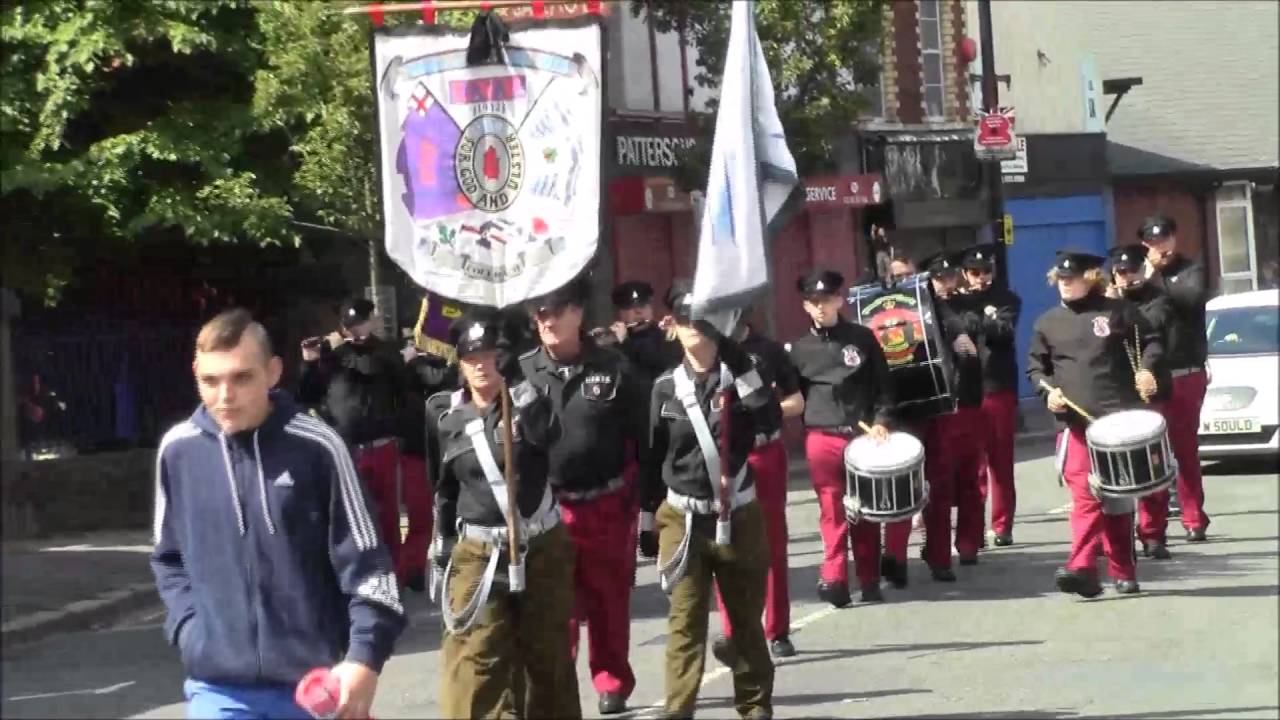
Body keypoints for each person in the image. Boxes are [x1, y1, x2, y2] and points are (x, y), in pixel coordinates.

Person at [151, 308, 405, 719]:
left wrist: (363, 658)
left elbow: (370, 567)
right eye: (210, 381)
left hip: (313, 691)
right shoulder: (178, 451)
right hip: (217, 690)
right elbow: (168, 558)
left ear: (272, 373)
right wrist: (190, 630)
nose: (224, 395)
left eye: (241, 377)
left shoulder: (318, 447)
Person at [425, 308, 580, 720]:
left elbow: (548, 435)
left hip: (539, 544)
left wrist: (518, 382)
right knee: (478, 660)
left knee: (548, 662)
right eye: (472, 358)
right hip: (478, 550)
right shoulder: (444, 418)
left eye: (490, 357)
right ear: (460, 363)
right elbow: (444, 489)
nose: (481, 366)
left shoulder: (526, 402)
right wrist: (440, 547)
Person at [518, 276, 649, 716]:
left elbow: (643, 434)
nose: (547, 322)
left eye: (555, 312)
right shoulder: (520, 371)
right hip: (546, 508)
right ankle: (557, 684)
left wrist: (643, 503)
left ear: (577, 313)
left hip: (606, 504)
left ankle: (612, 680)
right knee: (555, 606)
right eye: (539, 315)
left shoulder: (613, 367)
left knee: (608, 598)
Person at [644, 283, 775, 720]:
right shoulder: (665, 387)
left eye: (703, 322)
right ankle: (678, 710)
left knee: (744, 619)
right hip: (683, 518)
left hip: (738, 510)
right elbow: (653, 456)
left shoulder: (742, 375)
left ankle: (755, 707)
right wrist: (647, 520)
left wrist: (738, 363)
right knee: (685, 622)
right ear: (673, 328)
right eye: (685, 322)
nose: (694, 330)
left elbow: (769, 417)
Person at [1026, 251, 1164, 597]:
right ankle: (1082, 567)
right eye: (1061, 279)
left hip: (1117, 422)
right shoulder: (1047, 322)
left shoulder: (1117, 311)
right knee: (1085, 497)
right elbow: (1035, 369)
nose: (1065, 284)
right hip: (1076, 425)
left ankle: (1123, 572)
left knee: (1116, 502)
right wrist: (1048, 394)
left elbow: (1151, 341)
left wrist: (1146, 369)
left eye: (1071, 279)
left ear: (1090, 277)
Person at [786, 269, 896, 606]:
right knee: (832, 509)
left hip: (861, 437)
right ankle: (834, 579)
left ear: (839, 300)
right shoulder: (798, 350)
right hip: (822, 436)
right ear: (806, 306)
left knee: (863, 508)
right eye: (814, 302)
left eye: (827, 300)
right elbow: (794, 395)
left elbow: (883, 386)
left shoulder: (862, 338)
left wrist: (880, 421)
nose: (821, 308)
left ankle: (869, 577)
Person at [298, 298, 426, 585]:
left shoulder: (384, 351)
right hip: (346, 450)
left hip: (383, 446)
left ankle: (391, 577)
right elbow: (306, 394)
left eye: (361, 323)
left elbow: (372, 368)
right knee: (350, 516)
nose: (356, 330)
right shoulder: (331, 356)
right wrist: (310, 362)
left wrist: (342, 348)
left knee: (388, 517)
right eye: (350, 326)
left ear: (374, 321)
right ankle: (356, 576)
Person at [710, 313, 802, 665]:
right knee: (724, 543)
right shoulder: (706, 351)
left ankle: (777, 629)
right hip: (722, 458)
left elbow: (797, 401)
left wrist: (761, 410)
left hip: (763, 452)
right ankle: (734, 633)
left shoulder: (768, 350)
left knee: (772, 540)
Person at [1140, 214, 1212, 542]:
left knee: (1185, 450)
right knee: (1152, 453)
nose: (1161, 246)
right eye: (1153, 242)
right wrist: (1140, 280)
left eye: (1165, 238)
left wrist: (1155, 280)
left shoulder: (1190, 270)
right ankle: (1152, 528)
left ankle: (1193, 517)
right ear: (1144, 245)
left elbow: (1191, 299)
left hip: (1185, 372)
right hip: (1150, 376)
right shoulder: (1137, 276)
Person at [1108, 243, 1177, 560]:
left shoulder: (1157, 298)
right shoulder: (1103, 304)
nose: (1128, 277)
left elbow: (1155, 330)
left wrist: (1120, 305)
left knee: (1152, 466)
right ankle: (1113, 538)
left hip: (1150, 389)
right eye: (1121, 272)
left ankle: (1153, 534)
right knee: (1115, 472)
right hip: (1114, 393)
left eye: (1133, 270)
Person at [920, 251, 986, 575]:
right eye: (938, 278)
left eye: (949, 277)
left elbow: (970, 350)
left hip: (965, 401)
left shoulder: (962, 307)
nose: (945, 283)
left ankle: (969, 543)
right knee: (939, 483)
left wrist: (961, 338)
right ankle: (939, 553)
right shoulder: (917, 312)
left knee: (969, 478)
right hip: (934, 407)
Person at [961, 244, 1022, 548]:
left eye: (986, 271)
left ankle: (1002, 525)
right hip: (967, 389)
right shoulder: (958, 301)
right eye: (975, 272)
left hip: (998, 386)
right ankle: (973, 528)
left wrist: (976, 322)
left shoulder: (1007, 299)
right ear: (964, 274)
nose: (981, 277)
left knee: (1000, 460)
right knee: (973, 464)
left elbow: (1003, 331)